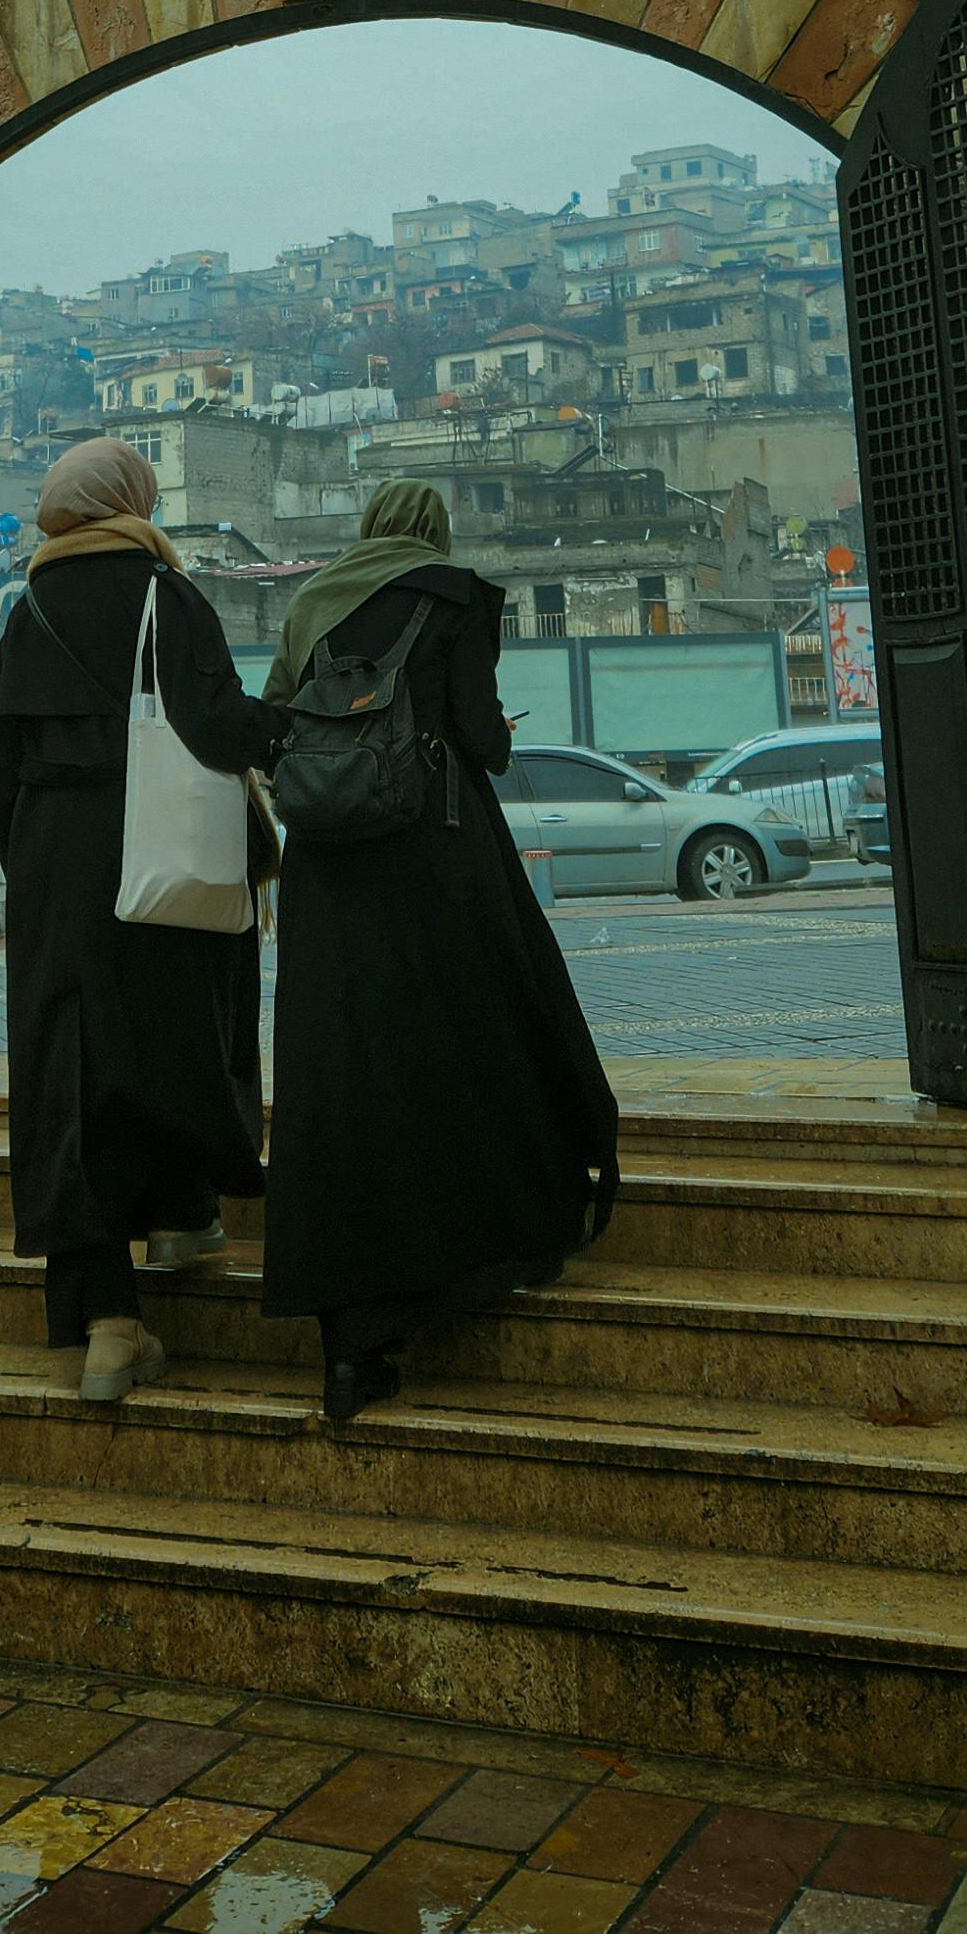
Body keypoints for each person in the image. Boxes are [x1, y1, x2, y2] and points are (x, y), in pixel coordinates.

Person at [259, 479, 618, 1425]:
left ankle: (349, 1343)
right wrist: (496, 738)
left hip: (328, 877)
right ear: (433, 532)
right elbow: (476, 735)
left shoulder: (310, 601)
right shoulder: (455, 595)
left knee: (341, 1072)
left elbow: (274, 722)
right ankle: (480, 1254)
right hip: (434, 859)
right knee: (464, 1038)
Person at [0, 439, 277, 1400]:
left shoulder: (26, 611)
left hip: (59, 872)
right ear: (132, 500)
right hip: (158, 863)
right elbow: (219, 726)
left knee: (74, 1074)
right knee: (178, 1036)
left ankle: (108, 1322)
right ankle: (188, 1211)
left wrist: (46, 871)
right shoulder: (164, 595)